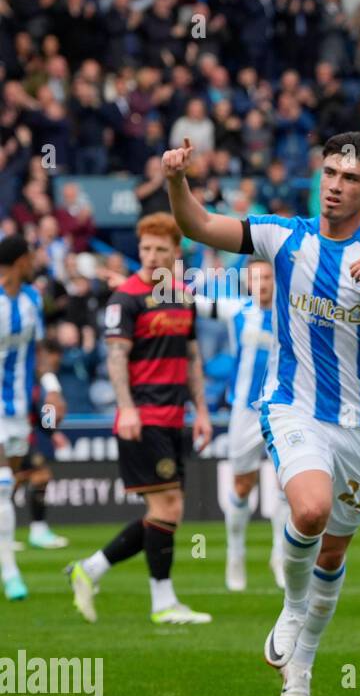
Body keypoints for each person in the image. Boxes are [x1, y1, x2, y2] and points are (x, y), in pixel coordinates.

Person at [163, 131, 360, 696]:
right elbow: (199, 226)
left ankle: (302, 664)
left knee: (333, 555)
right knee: (307, 509)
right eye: (330, 173)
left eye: (350, 179)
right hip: (292, 406)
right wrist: (175, 180)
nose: (334, 186)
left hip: (358, 424)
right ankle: (289, 608)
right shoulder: (285, 235)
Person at [64, 214, 214, 624]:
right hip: (143, 417)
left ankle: (90, 569)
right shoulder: (125, 299)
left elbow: (192, 358)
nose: (150, 256)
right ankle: (162, 603)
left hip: (174, 417)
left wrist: (200, 411)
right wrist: (126, 407)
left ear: (175, 252)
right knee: (168, 508)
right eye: (145, 248)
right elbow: (116, 357)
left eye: (159, 249)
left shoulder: (183, 297)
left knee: (168, 512)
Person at [215, 258, 285, 591]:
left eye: (268, 276)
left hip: (283, 409)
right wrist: (149, 285)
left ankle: (280, 557)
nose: (263, 283)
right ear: (247, 282)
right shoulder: (236, 310)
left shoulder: (292, 311)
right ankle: (236, 555)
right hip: (244, 412)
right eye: (256, 278)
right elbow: (192, 301)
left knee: (288, 484)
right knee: (242, 486)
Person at [0, 235, 42, 600]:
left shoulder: (32, 299)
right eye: (30, 256)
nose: (35, 261)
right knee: (1, 486)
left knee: (7, 485)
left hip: (17, 408)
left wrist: (53, 386)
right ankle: (11, 573)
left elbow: (38, 350)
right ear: (18, 262)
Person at [21, 338, 70, 550]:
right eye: (55, 361)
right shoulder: (26, 373)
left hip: (21, 434)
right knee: (38, 476)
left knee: (20, 478)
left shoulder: (36, 380)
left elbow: (37, 412)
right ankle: (38, 531)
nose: (55, 366)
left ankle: (36, 530)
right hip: (13, 433)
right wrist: (53, 417)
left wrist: (53, 430)